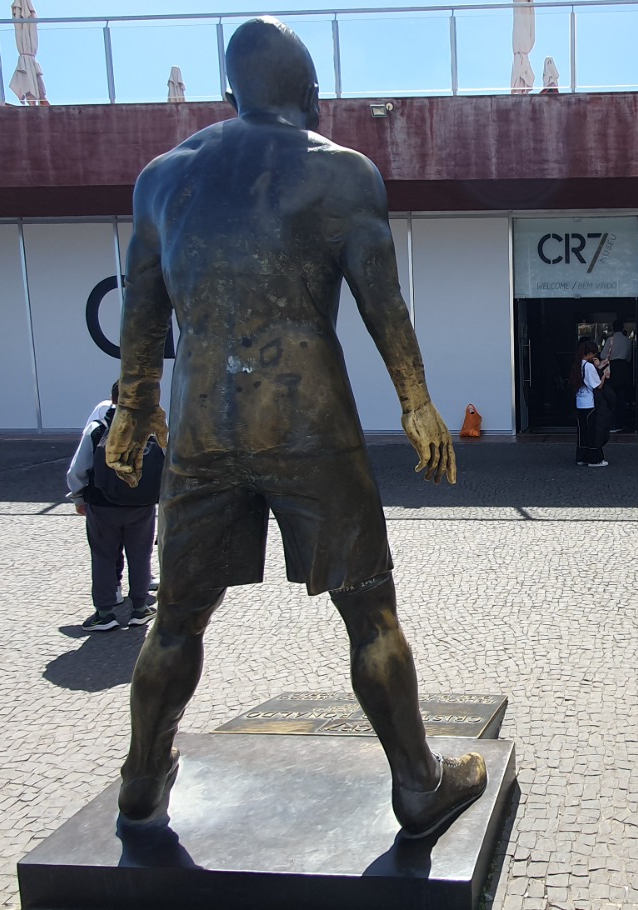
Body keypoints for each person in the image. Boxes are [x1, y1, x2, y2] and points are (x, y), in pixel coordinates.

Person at [104, 16, 486, 840]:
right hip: (309, 419)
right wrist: (416, 401)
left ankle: (141, 782)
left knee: (176, 618)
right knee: (370, 614)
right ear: (312, 96)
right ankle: (418, 786)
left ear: (229, 93)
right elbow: (381, 299)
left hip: (207, 422)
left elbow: (141, 305)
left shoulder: (161, 179)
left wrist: (136, 404)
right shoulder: (339, 170)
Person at [66, 383, 162, 632]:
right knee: (140, 556)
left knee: (103, 557)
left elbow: (78, 469)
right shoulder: (153, 429)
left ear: (113, 400)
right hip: (142, 505)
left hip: (102, 505)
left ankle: (105, 613)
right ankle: (140, 609)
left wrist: (79, 498)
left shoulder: (99, 428)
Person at [573, 338, 609, 467]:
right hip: (590, 402)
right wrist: (603, 375)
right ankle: (595, 459)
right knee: (594, 431)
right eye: (593, 353)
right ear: (590, 353)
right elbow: (598, 386)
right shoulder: (588, 366)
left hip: (579, 402)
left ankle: (581, 457)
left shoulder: (578, 364)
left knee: (582, 432)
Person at [602, 323, 636, 432]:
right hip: (624, 368)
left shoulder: (610, 340)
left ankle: (612, 423)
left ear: (613, 328)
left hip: (613, 368)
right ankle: (621, 422)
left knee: (610, 396)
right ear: (622, 328)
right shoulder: (627, 340)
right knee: (622, 397)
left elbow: (603, 355)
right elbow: (629, 357)